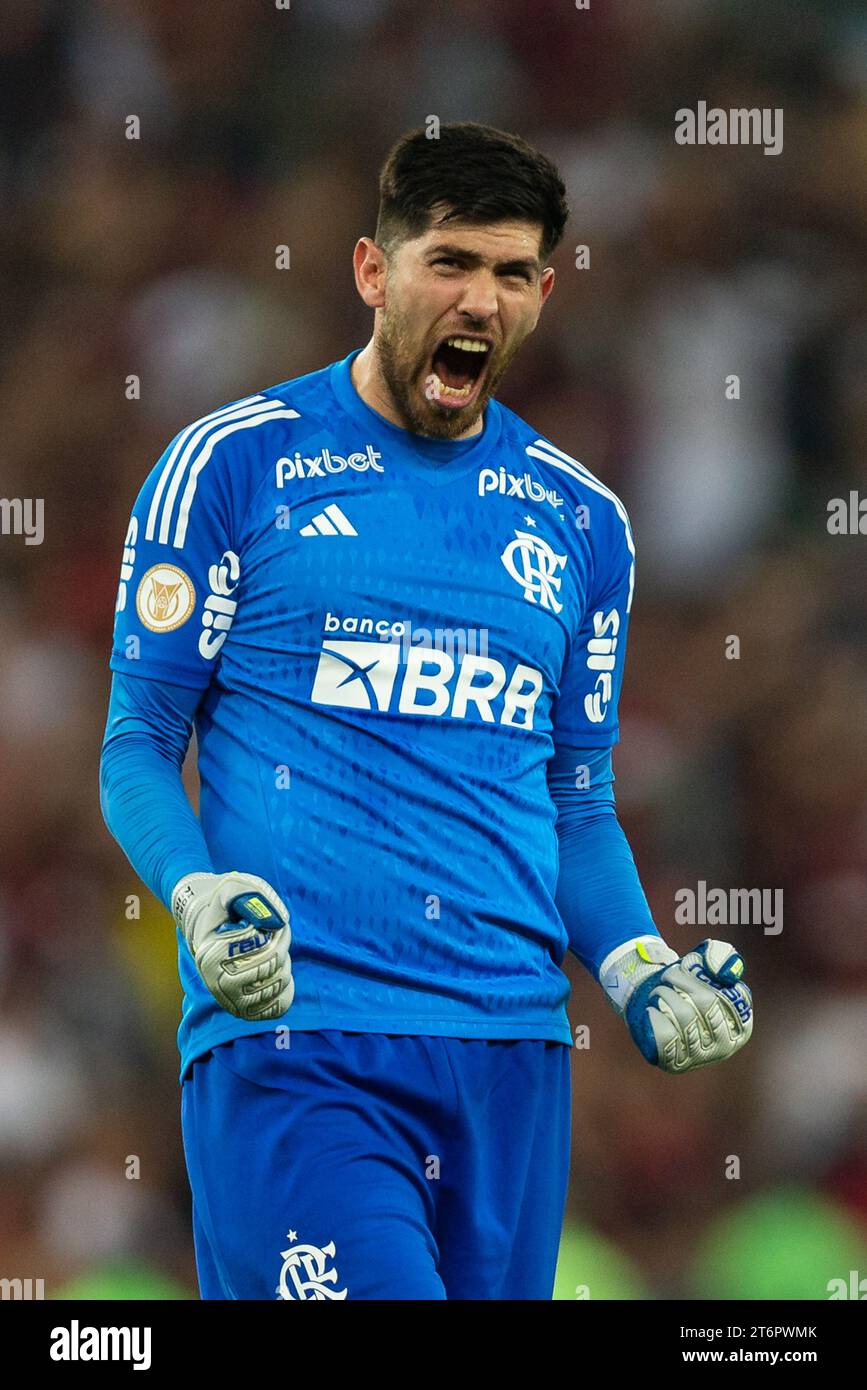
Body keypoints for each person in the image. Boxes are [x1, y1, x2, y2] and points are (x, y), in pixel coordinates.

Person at [100, 121, 753, 1301]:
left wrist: (640, 965)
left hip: (513, 1057)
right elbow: (139, 743)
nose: (480, 299)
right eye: (449, 261)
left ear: (545, 293)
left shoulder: (582, 518)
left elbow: (577, 799)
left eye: (511, 273)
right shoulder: (235, 466)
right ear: (371, 271)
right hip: (304, 1038)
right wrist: (195, 896)